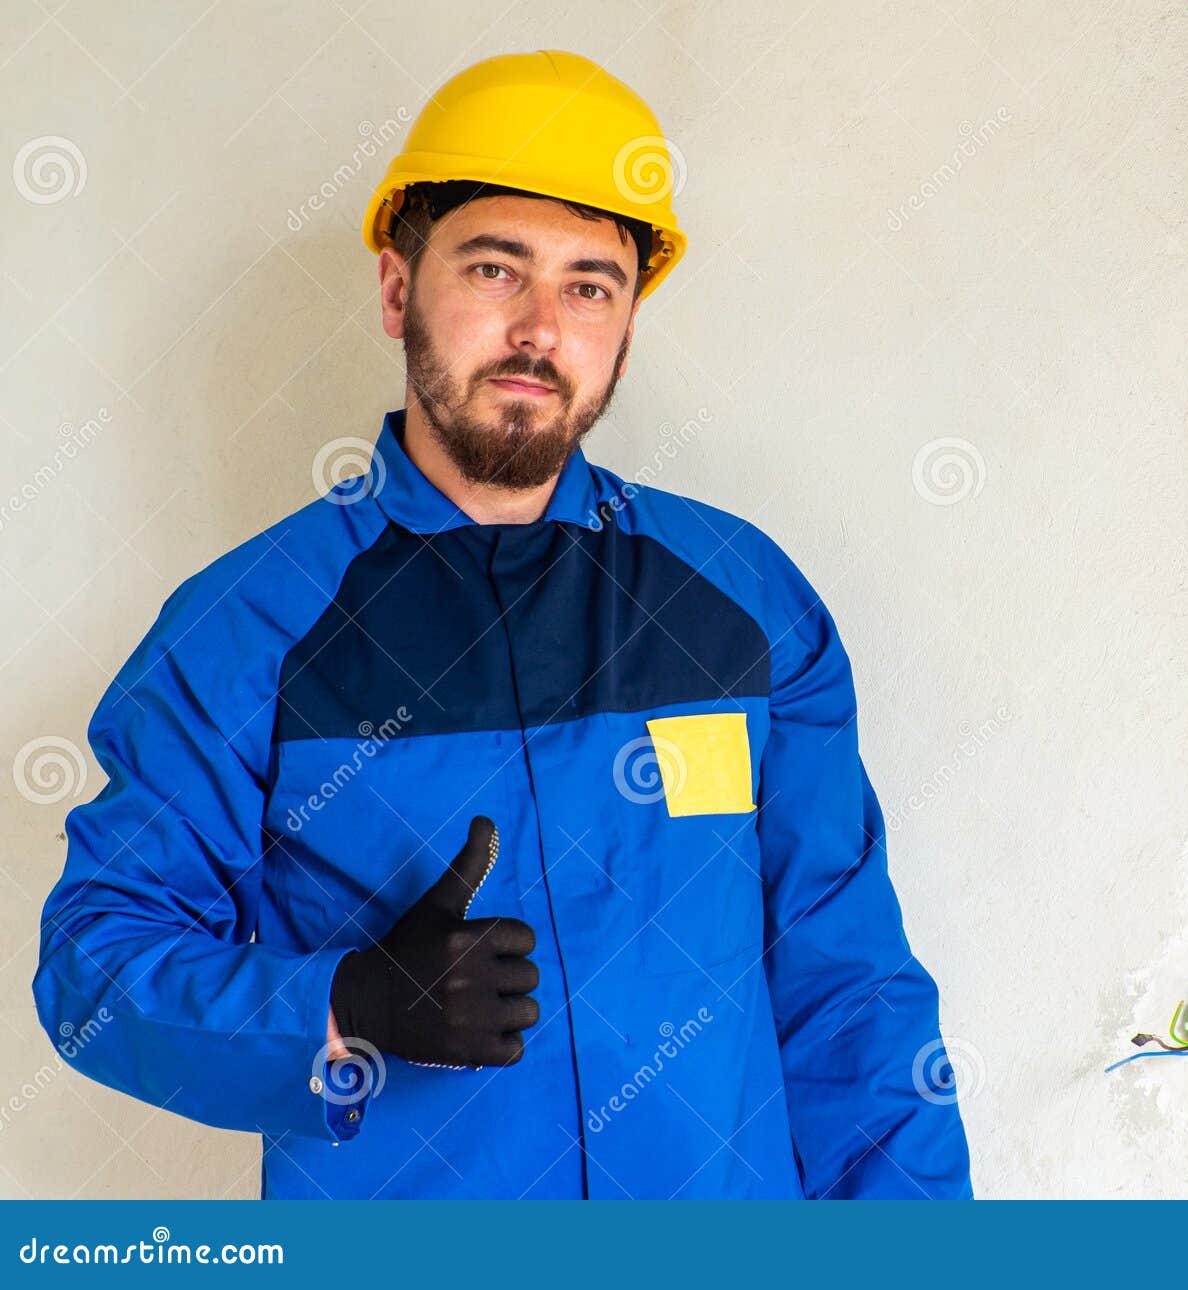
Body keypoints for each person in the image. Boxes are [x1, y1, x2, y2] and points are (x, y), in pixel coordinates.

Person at [31, 50, 971, 1200]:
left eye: (589, 287)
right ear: (396, 291)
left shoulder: (745, 601)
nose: (539, 328)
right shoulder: (245, 630)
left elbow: (851, 991)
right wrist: (342, 1006)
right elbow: (95, 966)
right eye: (494, 269)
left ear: (626, 324)